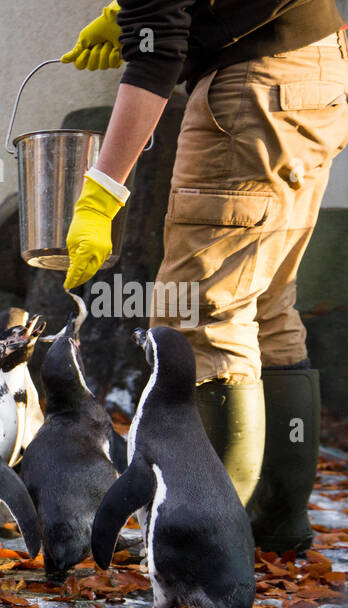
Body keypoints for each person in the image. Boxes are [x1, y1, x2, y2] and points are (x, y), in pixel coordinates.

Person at [61, 0, 348, 555]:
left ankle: (202, 551)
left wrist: (101, 194)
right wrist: (132, 16)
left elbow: (157, 55)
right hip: (317, 67)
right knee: (264, 306)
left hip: (254, 89)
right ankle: (270, 526)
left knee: (199, 313)